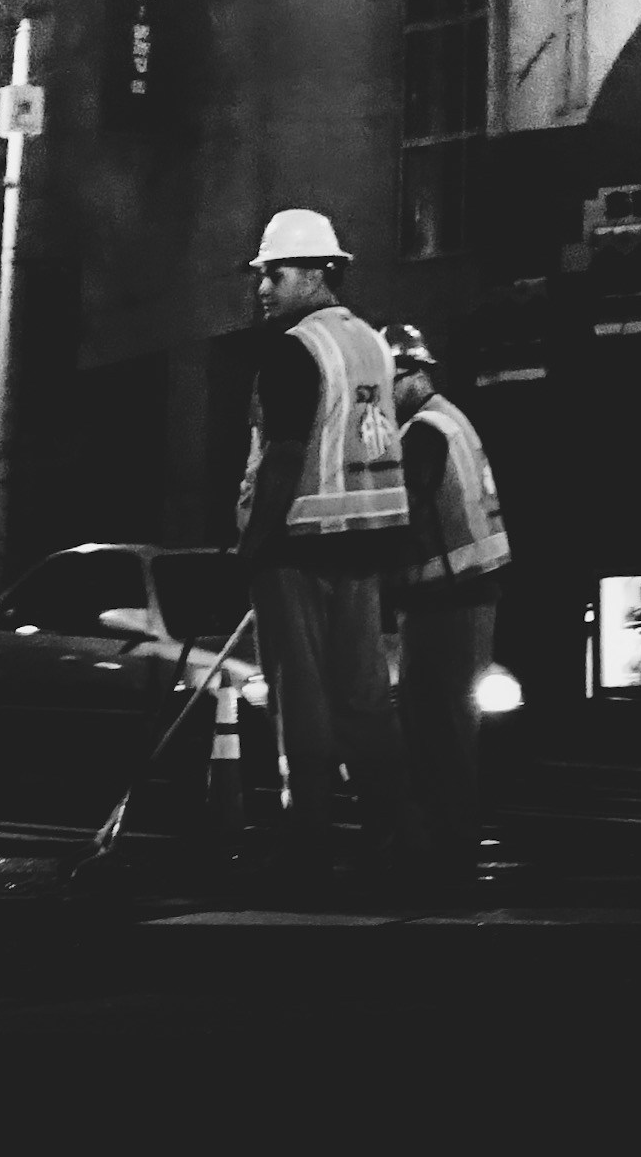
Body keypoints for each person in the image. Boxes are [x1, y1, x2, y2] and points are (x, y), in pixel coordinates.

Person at [236, 208, 429, 886]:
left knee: (302, 700)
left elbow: (286, 454)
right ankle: (395, 832)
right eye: (262, 274)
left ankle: (307, 838)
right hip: (363, 543)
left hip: (298, 544)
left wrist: (254, 543)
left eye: (275, 273)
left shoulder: (294, 350)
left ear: (319, 272)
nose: (263, 288)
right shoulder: (370, 344)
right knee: (364, 699)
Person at [385, 324, 513, 896]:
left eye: (389, 382)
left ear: (412, 375)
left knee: (435, 725)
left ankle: (445, 845)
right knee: (451, 726)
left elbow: (402, 519)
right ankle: (450, 839)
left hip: (444, 598)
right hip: (470, 592)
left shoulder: (422, 433)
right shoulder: (450, 419)